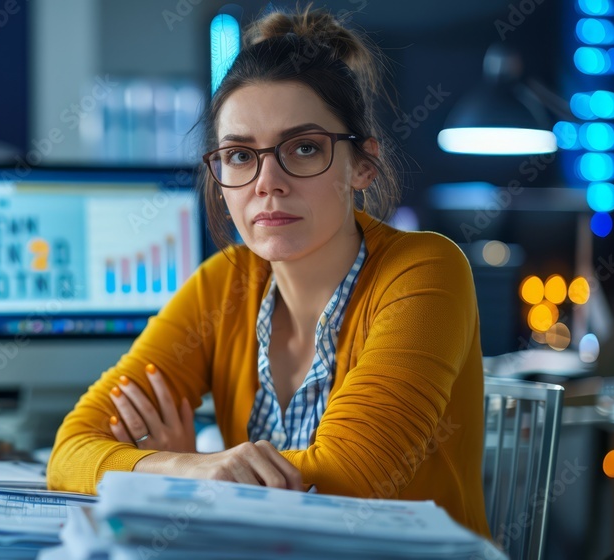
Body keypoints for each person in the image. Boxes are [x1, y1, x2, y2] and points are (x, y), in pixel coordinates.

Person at [47, 5, 490, 538]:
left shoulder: (425, 270)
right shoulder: (225, 283)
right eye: (239, 155)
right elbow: (71, 451)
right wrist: (191, 468)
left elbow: (349, 480)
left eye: (304, 148)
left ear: (362, 165)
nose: (268, 182)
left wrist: (176, 484)